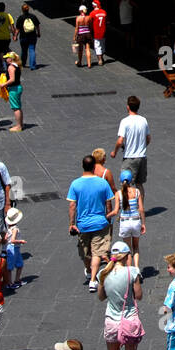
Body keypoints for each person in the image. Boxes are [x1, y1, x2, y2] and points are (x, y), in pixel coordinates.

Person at [68, 155, 116, 293]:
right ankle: (93, 280)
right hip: (100, 223)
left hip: (83, 224)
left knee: (86, 253)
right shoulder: (102, 183)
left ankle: (90, 274)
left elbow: (72, 205)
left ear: (83, 166)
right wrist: (108, 217)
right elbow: (108, 202)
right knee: (97, 253)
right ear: (94, 166)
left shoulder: (75, 184)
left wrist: (71, 224)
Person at [100, 240, 144, 350]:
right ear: (126, 256)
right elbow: (139, 296)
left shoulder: (103, 273)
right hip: (129, 320)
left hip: (112, 321)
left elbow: (101, 296)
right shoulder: (132, 272)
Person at [113, 95, 150, 205]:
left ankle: (126, 208)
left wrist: (114, 152)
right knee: (139, 184)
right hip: (142, 157)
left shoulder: (125, 121)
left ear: (128, 107)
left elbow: (120, 141)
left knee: (126, 184)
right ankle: (140, 208)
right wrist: (142, 147)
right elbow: (148, 138)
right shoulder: (143, 120)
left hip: (130, 157)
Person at [115, 168, 146, 267]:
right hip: (136, 221)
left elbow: (116, 210)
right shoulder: (136, 192)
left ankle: (129, 270)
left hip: (125, 223)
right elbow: (141, 209)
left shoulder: (118, 194)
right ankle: (136, 268)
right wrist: (143, 223)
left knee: (127, 249)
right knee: (136, 247)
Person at [4, 207, 26, 289]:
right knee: (11, 266)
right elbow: (12, 240)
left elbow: (6, 237)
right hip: (14, 248)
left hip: (11, 248)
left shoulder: (9, 227)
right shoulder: (15, 229)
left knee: (19, 264)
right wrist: (21, 241)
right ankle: (10, 283)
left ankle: (16, 280)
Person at [3, 52, 24, 132]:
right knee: (18, 107)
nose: (5, 59)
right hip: (18, 87)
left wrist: (3, 85)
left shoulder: (11, 67)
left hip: (13, 89)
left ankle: (18, 126)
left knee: (15, 108)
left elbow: (12, 79)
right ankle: (20, 124)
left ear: (11, 59)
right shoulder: (16, 65)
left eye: (7, 58)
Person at [15, 4, 39, 70]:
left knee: (24, 50)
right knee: (32, 50)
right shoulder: (33, 17)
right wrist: (38, 33)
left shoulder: (21, 18)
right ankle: (32, 66)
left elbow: (18, 29)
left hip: (23, 36)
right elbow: (37, 26)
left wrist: (15, 36)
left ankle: (23, 63)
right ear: (28, 9)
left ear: (22, 10)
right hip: (32, 36)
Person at [89, 0, 107, 66]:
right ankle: (102, 57)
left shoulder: (92, 13)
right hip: (103, 31)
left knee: (97, 46)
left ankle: (99, 60)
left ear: (94, 6)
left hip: (96, 31)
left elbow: (90, 23)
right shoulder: (104, 12)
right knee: (102, 45)